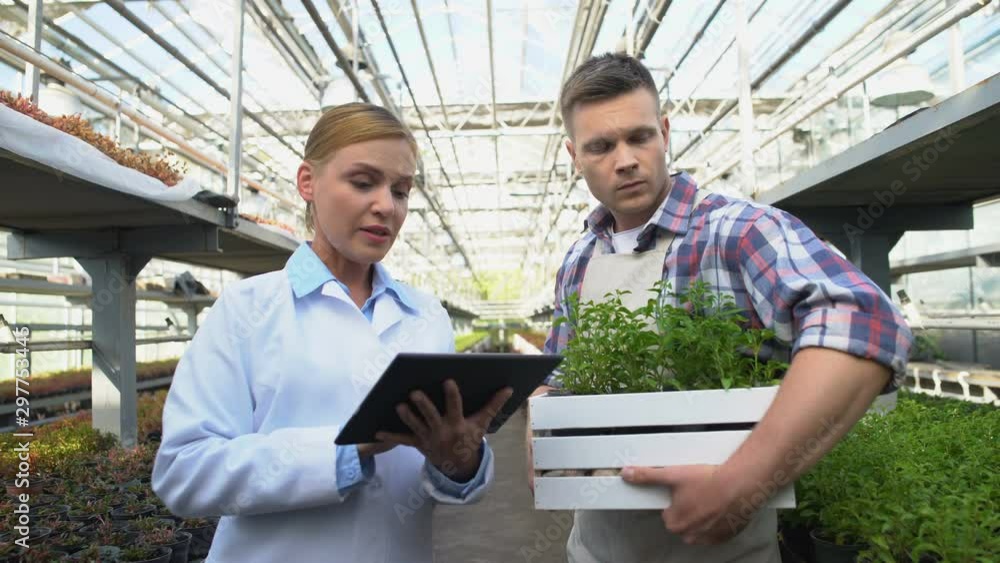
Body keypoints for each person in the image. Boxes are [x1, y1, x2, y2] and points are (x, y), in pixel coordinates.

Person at [528, 53, 913, 563]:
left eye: (639, 137)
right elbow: (561, 371)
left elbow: (866, 323)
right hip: (595, 548)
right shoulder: (580, 257)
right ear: (575, 156)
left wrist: (746, 481)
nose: (625, 159)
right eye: (601, 146)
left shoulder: (736, 231)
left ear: (664, 133)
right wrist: (538, 420)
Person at [153, 103, 512, 563]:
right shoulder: (247, 310)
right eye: (363, 183)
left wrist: (460, 460)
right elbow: (184, 473)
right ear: (308, 182)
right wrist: (344, 449)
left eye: (401, 191)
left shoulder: (426, 317)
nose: (386, 205)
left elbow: (437, 483)